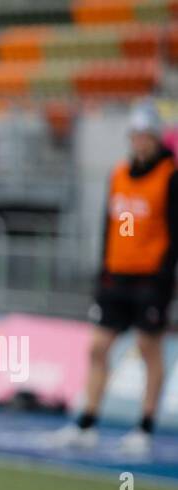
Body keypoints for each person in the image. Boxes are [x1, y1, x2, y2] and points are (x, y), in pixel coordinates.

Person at [49, 99, 176, 458]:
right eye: (135, 135)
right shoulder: (119, 174)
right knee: (98, 347)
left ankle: (145, 427)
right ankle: (86, 423)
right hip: (117, 276)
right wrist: (104, 269)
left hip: (151, 279)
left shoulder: (169, 176)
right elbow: (113, 226)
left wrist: (165, 277)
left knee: (148, 349)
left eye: (145, 136)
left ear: (156, 138)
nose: (140, 142)